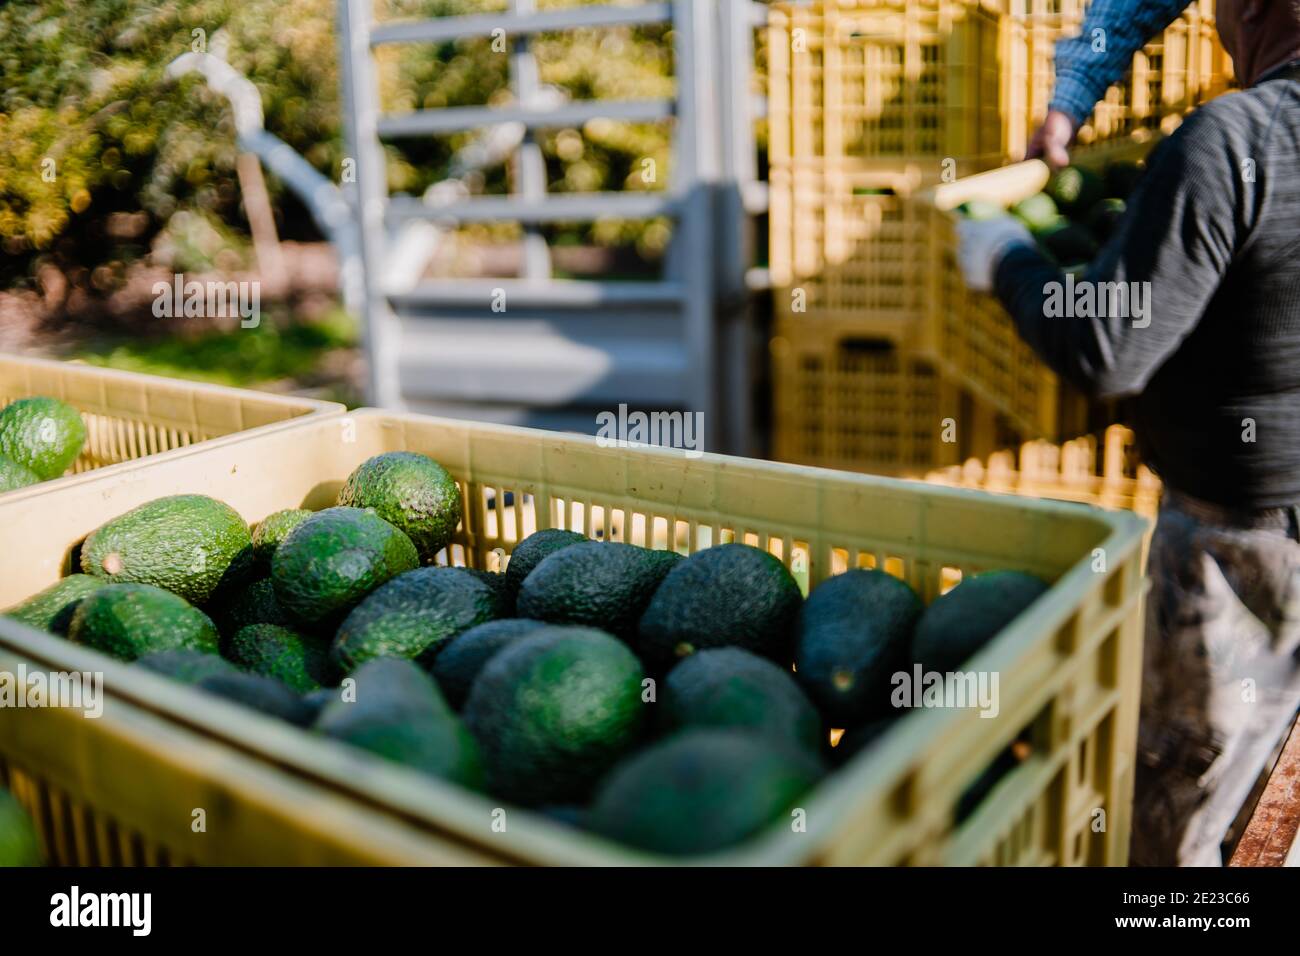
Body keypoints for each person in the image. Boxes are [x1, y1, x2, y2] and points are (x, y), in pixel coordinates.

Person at [956, 0, 1300, 866]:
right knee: (1277, 811)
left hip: (1240, 546)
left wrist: (1006, 259)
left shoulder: (1234, 141)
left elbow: (1106, 349)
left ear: (1249, 10)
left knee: (1190, 809)